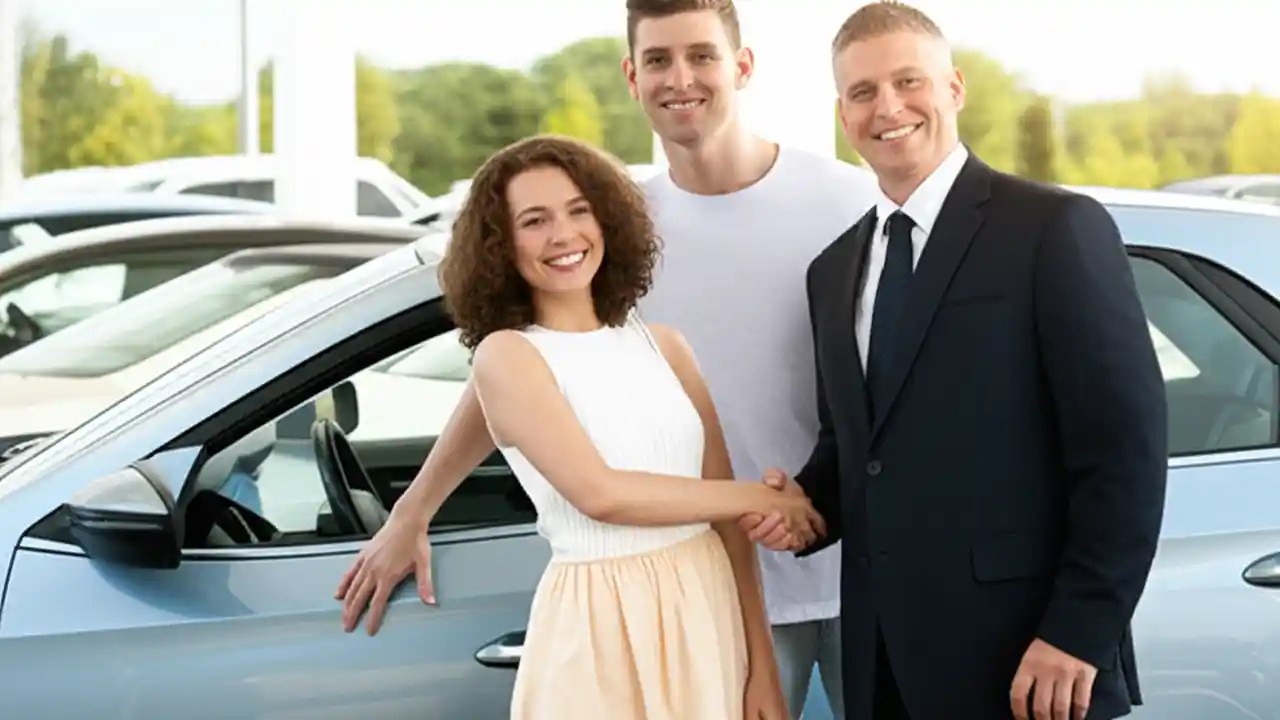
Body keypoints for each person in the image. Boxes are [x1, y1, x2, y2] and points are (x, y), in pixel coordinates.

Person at [336, 1, 877, 718]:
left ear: (742, 66)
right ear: (632, 75)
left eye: (701, 55)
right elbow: (510, 378)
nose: (680, 78)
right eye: (657, 60)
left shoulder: (845, 201)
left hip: (854, 562)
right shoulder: (611, 230)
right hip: (717, 580)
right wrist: (413, 509)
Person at [743, 3, 1169, 720]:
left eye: (909, 81)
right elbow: (854, 446)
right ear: (844, 115)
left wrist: (1078, 633)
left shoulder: (1052, 229)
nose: (889, 107)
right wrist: (805, 508)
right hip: (884, 668)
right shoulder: (833, 270)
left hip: (1031, 666)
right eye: (863, 92)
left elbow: (1124, 451)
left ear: (954, 88)